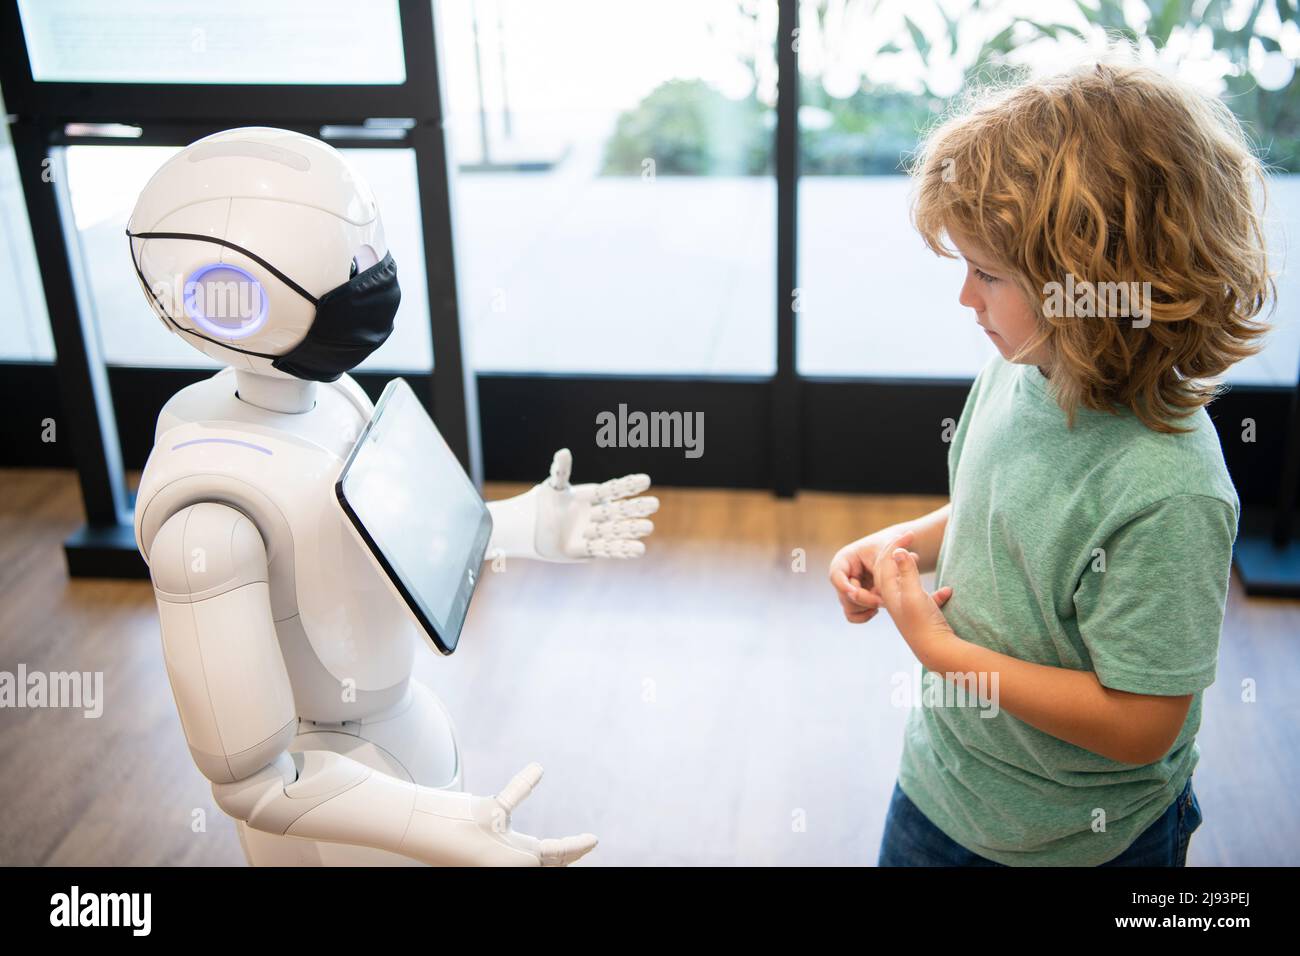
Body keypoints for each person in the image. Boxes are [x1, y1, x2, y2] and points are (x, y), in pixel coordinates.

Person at [830, 52, 1273, 866]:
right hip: (943, 786)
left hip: (1083, 842)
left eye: (987, 274)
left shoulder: (1169, 491)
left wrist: (944, 652)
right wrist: (903, 544)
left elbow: (1141, 723)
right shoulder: (1021, 368)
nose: (966, 299)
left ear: (1094, 282)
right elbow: (1006, 509)